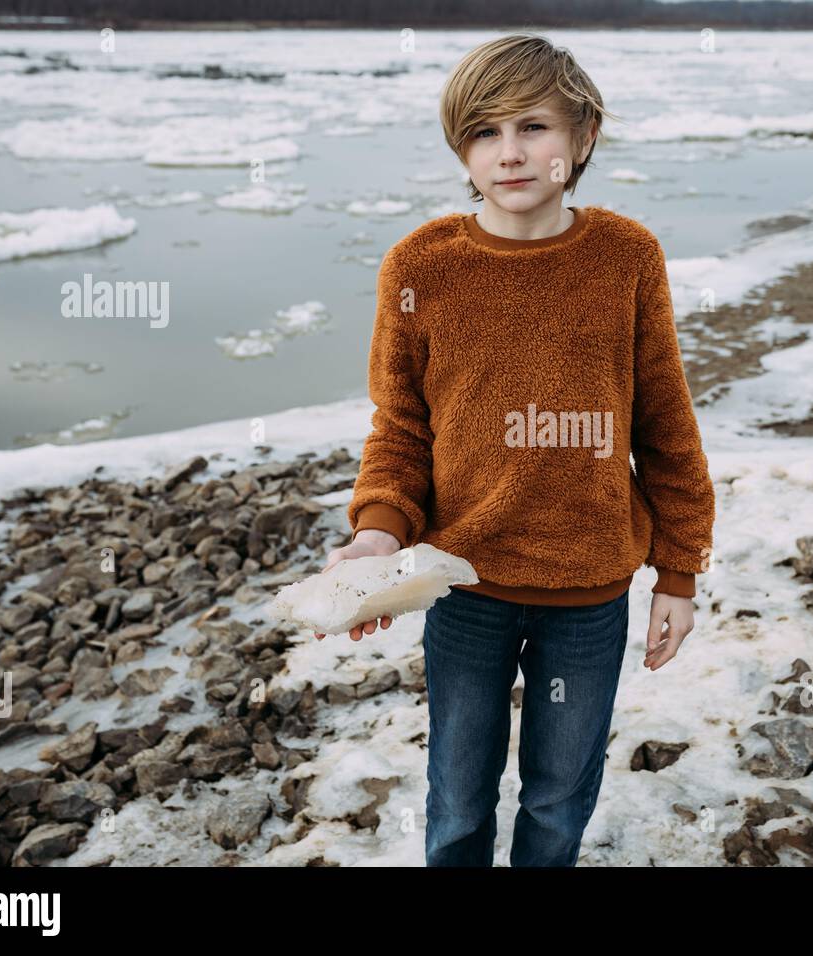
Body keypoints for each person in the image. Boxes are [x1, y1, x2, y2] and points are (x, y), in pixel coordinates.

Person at [315, 33, 715, 866]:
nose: (509, 153)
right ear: (461, 148)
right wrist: (378, 536)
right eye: (484, 132)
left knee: (559, 802)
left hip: (589, 586)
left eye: (532, 127)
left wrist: (679, 570)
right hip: (462, 583)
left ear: (582, 138)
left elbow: (665, 425)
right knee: (458, 802)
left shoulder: (626, 256)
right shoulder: (421, 266)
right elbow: (401, 428)